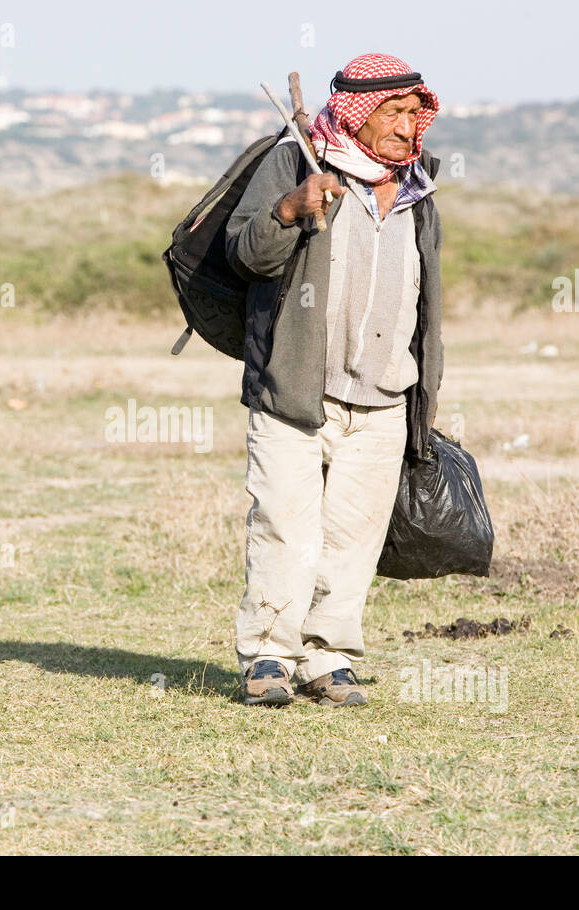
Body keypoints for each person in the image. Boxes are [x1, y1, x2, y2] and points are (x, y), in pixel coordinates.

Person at [225, 53, 444, 707]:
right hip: (296, 389)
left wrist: (423, 386)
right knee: (285, 527)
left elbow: (423, 288)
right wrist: (289, 211)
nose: (409, 128)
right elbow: (244, 255)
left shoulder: (418, 182)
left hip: (383, 394)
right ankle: (268, 658)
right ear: (359, 112)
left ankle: (330, 660)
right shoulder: (295, 161)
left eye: (415, 113)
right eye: (394, 113)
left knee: (354, 535)